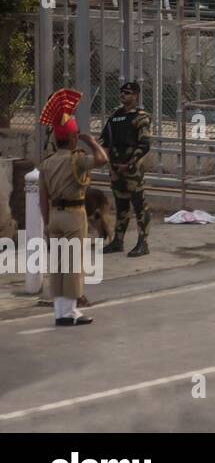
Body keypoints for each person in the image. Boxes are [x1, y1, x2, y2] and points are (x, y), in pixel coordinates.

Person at [38, 89, 108, 326]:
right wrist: (92, 142)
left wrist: (47, 224)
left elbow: (41, 197)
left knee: (57, 264)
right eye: (75, 134)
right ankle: (69, 313)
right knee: (73, 264)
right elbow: (102, 160)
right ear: (70, 138)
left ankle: (60, 311)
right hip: (74, 215)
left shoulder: (46, 163)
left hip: (54, 216)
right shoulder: (76, 160)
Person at [101, 81, 151, 257]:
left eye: (128, 92)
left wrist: (130, 163)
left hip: (132, 169)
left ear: (135, 96)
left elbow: (145, 144)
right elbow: (104, 141)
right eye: (122, 92)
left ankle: (143, 242)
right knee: (121, 205)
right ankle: (118, 241)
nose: (123, 95)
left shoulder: (140, 117)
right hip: (115, 168)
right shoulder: (115, 116)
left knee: (139, 205)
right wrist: (106, 160)